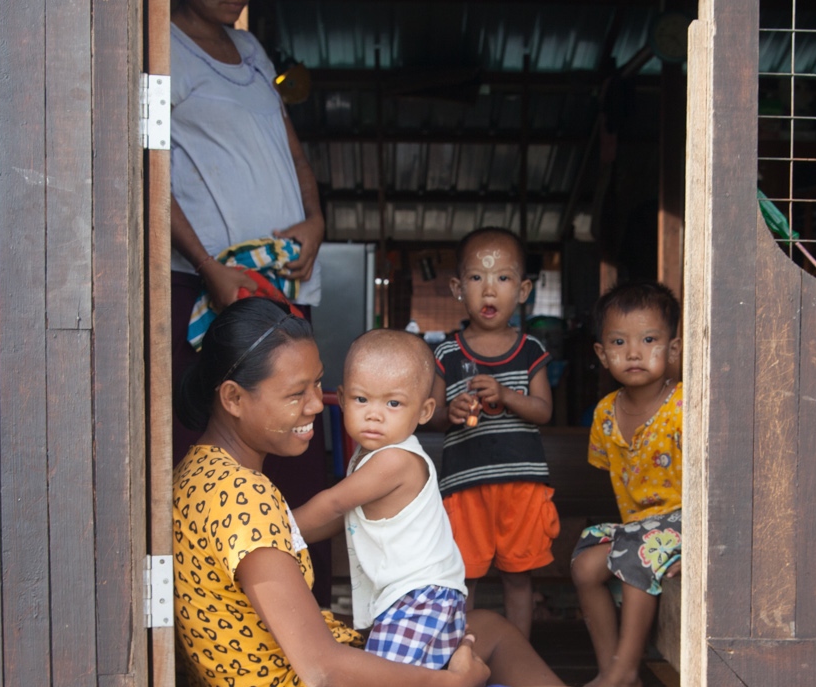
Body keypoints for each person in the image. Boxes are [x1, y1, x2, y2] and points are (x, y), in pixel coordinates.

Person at [172, 298, 563, 687]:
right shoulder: (242, 497)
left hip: (309, 658)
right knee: (484, 644)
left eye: (317, 385)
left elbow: (315, 521)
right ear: (234, 399)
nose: (315, 406)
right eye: (296, 394)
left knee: (491, 628)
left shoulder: (200, 472)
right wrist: (451, 684)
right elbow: (322, 671)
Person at [167, 0, 333, 603]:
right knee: (218, 435)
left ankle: (306, 613)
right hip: (215, 286)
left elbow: (292, 149)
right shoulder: (161, 51)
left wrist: (318, 219)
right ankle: (221, 612)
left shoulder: (253, 48)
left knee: (298, 426)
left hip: (283, 278)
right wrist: (208, 267)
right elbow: (149, 173)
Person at [294, 330, 467, 669]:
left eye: (393, 403)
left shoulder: (396, 460)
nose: (374, 414)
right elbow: (336, 520)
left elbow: (332, 504)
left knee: (381, 678)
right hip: (414, 598)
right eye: (362, 400)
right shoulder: (369, 454)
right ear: (342, 399)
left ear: (425, 410)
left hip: (420, 598)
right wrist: (292, 538)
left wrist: (269, 528)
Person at [428, 227, 558, 639]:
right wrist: (452, 411)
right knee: (464, 578)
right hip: (465, 489)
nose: (489, 291)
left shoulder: (530, 349)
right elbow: (429, 414)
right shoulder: (447, 352)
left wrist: (505, 394)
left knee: (518, 578)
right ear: (456, 287)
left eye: (502, 279)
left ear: (522, 290)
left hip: (521, 487)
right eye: (477, 278)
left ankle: (518, 658)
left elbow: (543, 411)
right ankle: (463, 655)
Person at [570, 282, 685, 687]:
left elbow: (718, 490)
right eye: (619, 342)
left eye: (649, 340)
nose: (634, 353)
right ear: (602, 354)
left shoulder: (686, 406)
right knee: (585, 563)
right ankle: (612, 670)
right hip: (641, 528)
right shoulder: (604, 414)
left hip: (687, 524)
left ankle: (623, 670)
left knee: (637, 553)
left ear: (673, 349)